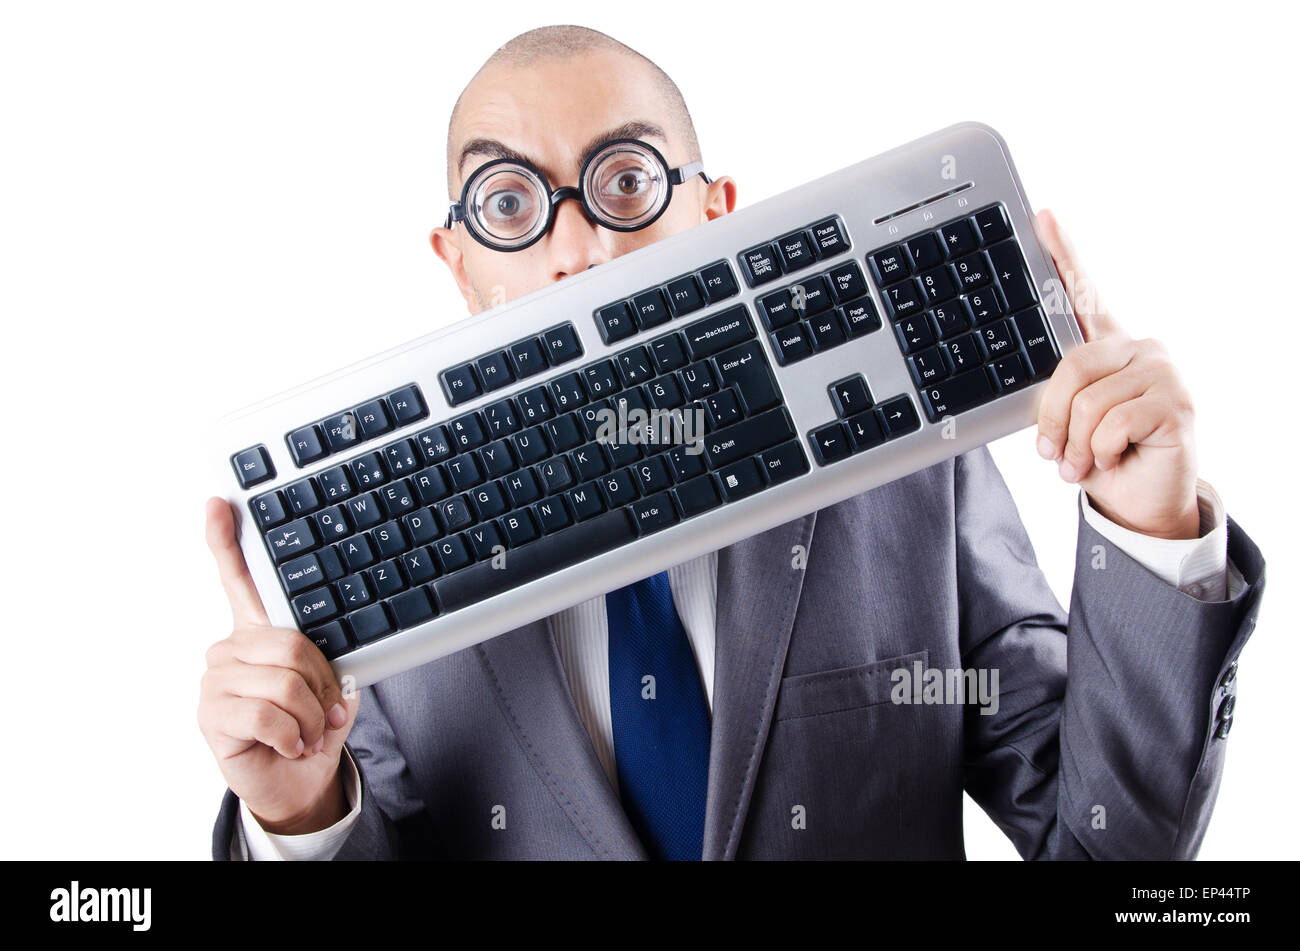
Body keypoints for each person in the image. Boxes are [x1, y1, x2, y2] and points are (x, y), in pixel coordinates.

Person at [199, 25, 1265, 860]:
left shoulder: (911, 474)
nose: (583, 250)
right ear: (459, 265)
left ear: (713, 212)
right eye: (510, 202)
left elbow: (1113, 845)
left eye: (626, 182)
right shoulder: (379, 573)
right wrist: (301, 815)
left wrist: (1151, 531)